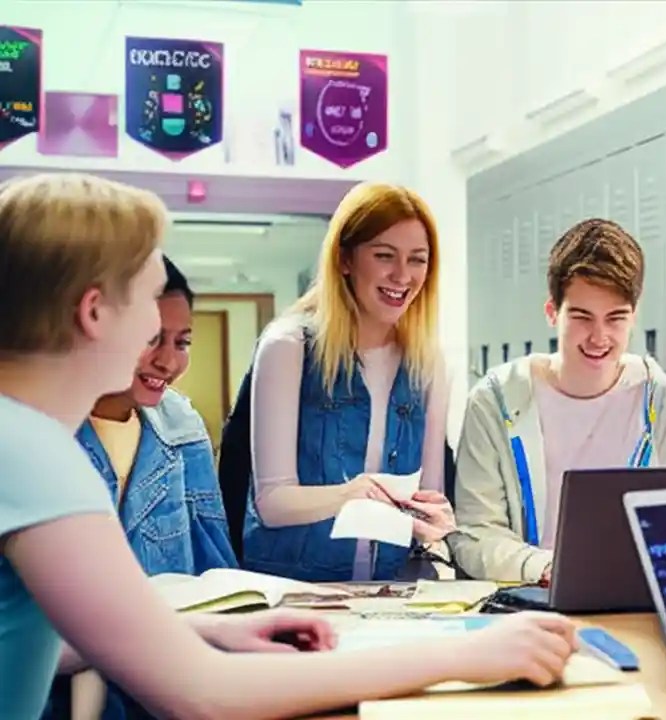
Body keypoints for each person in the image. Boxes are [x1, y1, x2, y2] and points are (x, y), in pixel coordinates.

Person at [0, 172, 578, 720]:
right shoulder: (36, 461)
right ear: (95, 312)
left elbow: (51, 635)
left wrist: (211, 628)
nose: (166, 336)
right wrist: (464, 655)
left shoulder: (20, 441)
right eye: (151, 301)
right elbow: (205, 696)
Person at [448, 218, 666, 583]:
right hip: (526, 595)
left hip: (628, 597)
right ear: (552, 312)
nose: (599, 337)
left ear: (634, 316)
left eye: (615, 318)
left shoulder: (664, 402)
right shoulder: (493, 400)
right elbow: (475, 532)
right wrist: (549, 569)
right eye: (582, 317)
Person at [240, 181, 456, 582]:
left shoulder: (428, 362)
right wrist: (353, 493)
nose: (402, 275)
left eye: (417, 260)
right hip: (293, 590)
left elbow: (429, 495)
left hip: (388, 592)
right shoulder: (289, 346)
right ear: (345, 260)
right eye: (384, 255)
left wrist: (435, 522)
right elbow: (272, 502)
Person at [52, 256, 236, 719]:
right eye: (151, 338)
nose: (169, 361)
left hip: (160, 692)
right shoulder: (41, 427)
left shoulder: (182, 425)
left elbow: (218, 575)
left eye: (182, 342)